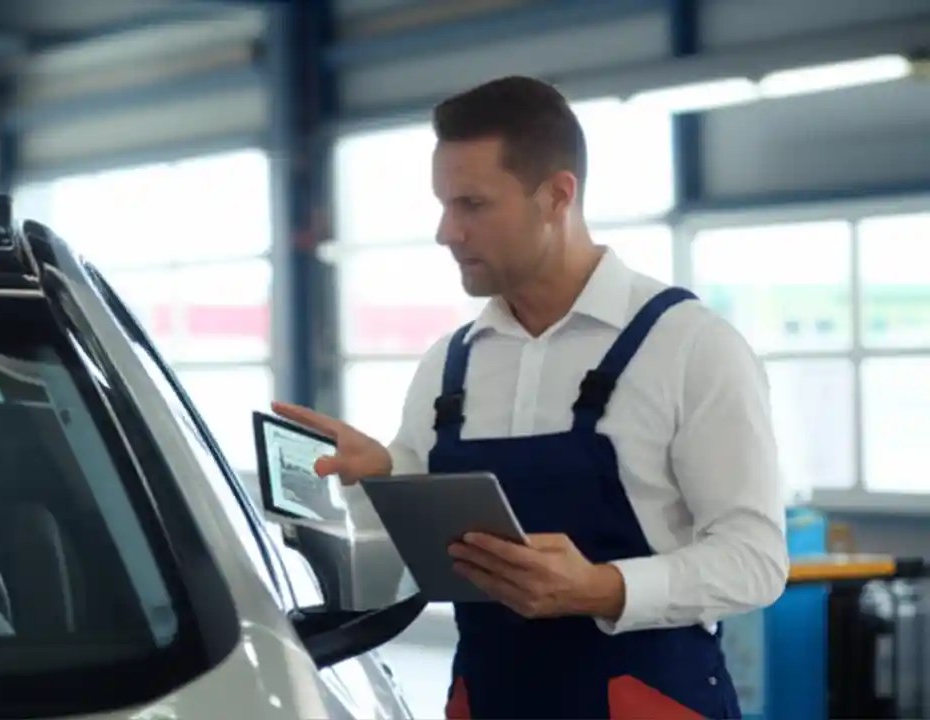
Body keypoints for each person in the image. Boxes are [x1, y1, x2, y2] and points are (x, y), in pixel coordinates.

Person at [272, 75, 788, 719]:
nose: (446, 232)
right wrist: (381, 474)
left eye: (471, 204)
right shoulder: (449, 366)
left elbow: (756, 561)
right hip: (488, 699)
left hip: (647, 701)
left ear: (556, 196)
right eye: (442, 204)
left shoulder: (690, 348)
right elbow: (417, 549)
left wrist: (601, 588)